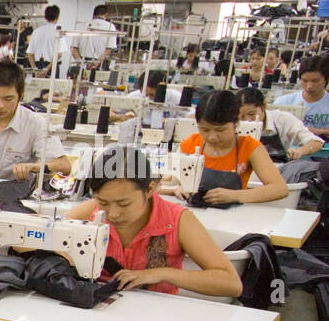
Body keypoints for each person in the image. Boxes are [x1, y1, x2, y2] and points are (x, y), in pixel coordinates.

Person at [67, 146, 242, 297]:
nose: (112, 214)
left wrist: (162, 274)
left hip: (157, 318)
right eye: (103, 202)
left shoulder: (177, 220)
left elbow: (231, 283)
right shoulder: (88, 213)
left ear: (150, 189)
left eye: (124, 203)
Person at [166, 90, 289, 205]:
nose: (212, 137)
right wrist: (175, 189)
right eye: (205, 129)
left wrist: (235, 195)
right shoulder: (191, 144)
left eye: (220, 130)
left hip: (234, 218)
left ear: (236, 124)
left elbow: (279, 188)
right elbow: (160, 183)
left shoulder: (250, 147)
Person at [237, 86, 323, 181]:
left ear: (264, 106)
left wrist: (300, 151)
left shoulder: (283, 119)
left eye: (252, 114)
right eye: (242, 117)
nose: (247, 120)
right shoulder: (233, 123)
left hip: (280, 174)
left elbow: (316, 142)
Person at [273, 54, 329, 139]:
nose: (309, 86)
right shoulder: (283, 102)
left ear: (326, 79)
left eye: (315, 81)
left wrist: (321, 132)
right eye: (305, 80)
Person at [25, 5, 60, 75]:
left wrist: (35, 69)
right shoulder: (58, 32)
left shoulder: (36, 31)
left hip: (37, 66)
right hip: (51, 67)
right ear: (57, 17)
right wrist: (47, 69)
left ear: (45, 16)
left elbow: (29, 53)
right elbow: (59, 54)